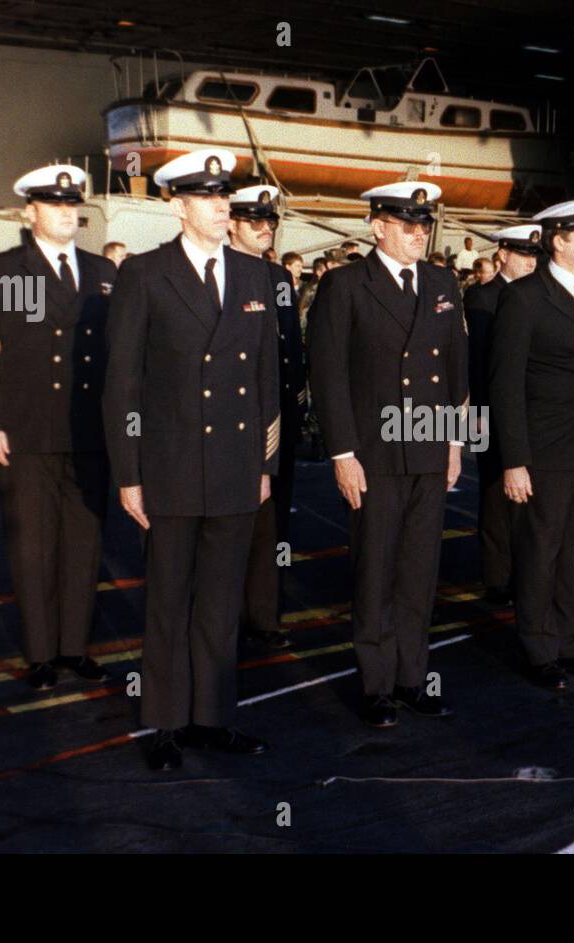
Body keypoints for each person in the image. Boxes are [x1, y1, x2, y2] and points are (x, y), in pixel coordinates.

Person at [103, 148, 279, 770]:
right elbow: (121, 385)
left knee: (220, 604)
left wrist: (264, 465)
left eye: (224, 195)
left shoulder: (254, 274)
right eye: (207, 196)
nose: (221, 204)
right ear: (178, 206)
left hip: (235, 467)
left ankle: (213, 717)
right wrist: (129, 475)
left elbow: (265, 383)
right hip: (171, 467)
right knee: (168, 601)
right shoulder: (146, 275)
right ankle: (165, 723)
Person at [308, 181, 467, 727]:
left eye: (424, 225)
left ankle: (412, 679)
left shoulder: (443, 282)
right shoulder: (347, 285)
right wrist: (342, 454)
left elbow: (454, 369)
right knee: (375, 569)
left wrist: (453, 443)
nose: (419, 233)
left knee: (420, 571)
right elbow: (327, 376)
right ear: (378, 227)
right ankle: (376, 685)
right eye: (408, 225)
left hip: (427, 448)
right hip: (374, 454)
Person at [0, 163, 118, 691]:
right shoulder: (5, 271)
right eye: (54, 205)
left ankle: (75, 647)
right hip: (25, 431)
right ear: (30, 212)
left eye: (72, 205)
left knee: (83, 543)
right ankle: (40, 653)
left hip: (89, 434)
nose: (66, 213)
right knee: (32, 546)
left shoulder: (103, 273)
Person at [489, 195, 574, 691]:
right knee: (541, 550)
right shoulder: (523, 297)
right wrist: (515, 461)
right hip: (546, 453)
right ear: (557, 240)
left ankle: (571, 641)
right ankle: (539, 648)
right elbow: (505, 385)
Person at [226, 184, 307, 650]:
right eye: (254, 220)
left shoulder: (279, 278)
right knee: (232, 524)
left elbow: (290, 347)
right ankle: (228, 619)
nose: (265, 228)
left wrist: (296, 406)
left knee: (273, 525)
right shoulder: (222, 273)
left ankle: (266, 614)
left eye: (270, 220)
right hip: (235, 418)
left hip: (278, 421)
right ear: (232, 223)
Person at [462, 223, 541, 605]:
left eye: (533, 255)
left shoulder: (539, 295)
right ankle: (498, 577)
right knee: (496, 494)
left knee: (529, 496)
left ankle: (525, 568)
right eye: (523, 254)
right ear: (503, 256)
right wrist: (478, 417)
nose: (530, 262)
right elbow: (479, 363)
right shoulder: (481, 299)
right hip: (491, 411)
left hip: (535, 412)